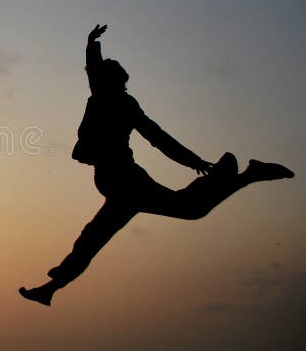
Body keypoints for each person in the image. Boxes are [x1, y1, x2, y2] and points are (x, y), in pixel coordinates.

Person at [19, 24, 294, 306]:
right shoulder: (101, 95)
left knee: (185, 210)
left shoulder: (124, 104)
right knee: (100, 234)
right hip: (117, 183)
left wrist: (192, 160)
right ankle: (51, 288)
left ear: (116, 83)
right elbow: (95, 68)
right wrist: (92, 44)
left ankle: (246, 175)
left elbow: (157, 136)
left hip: (126, 182)